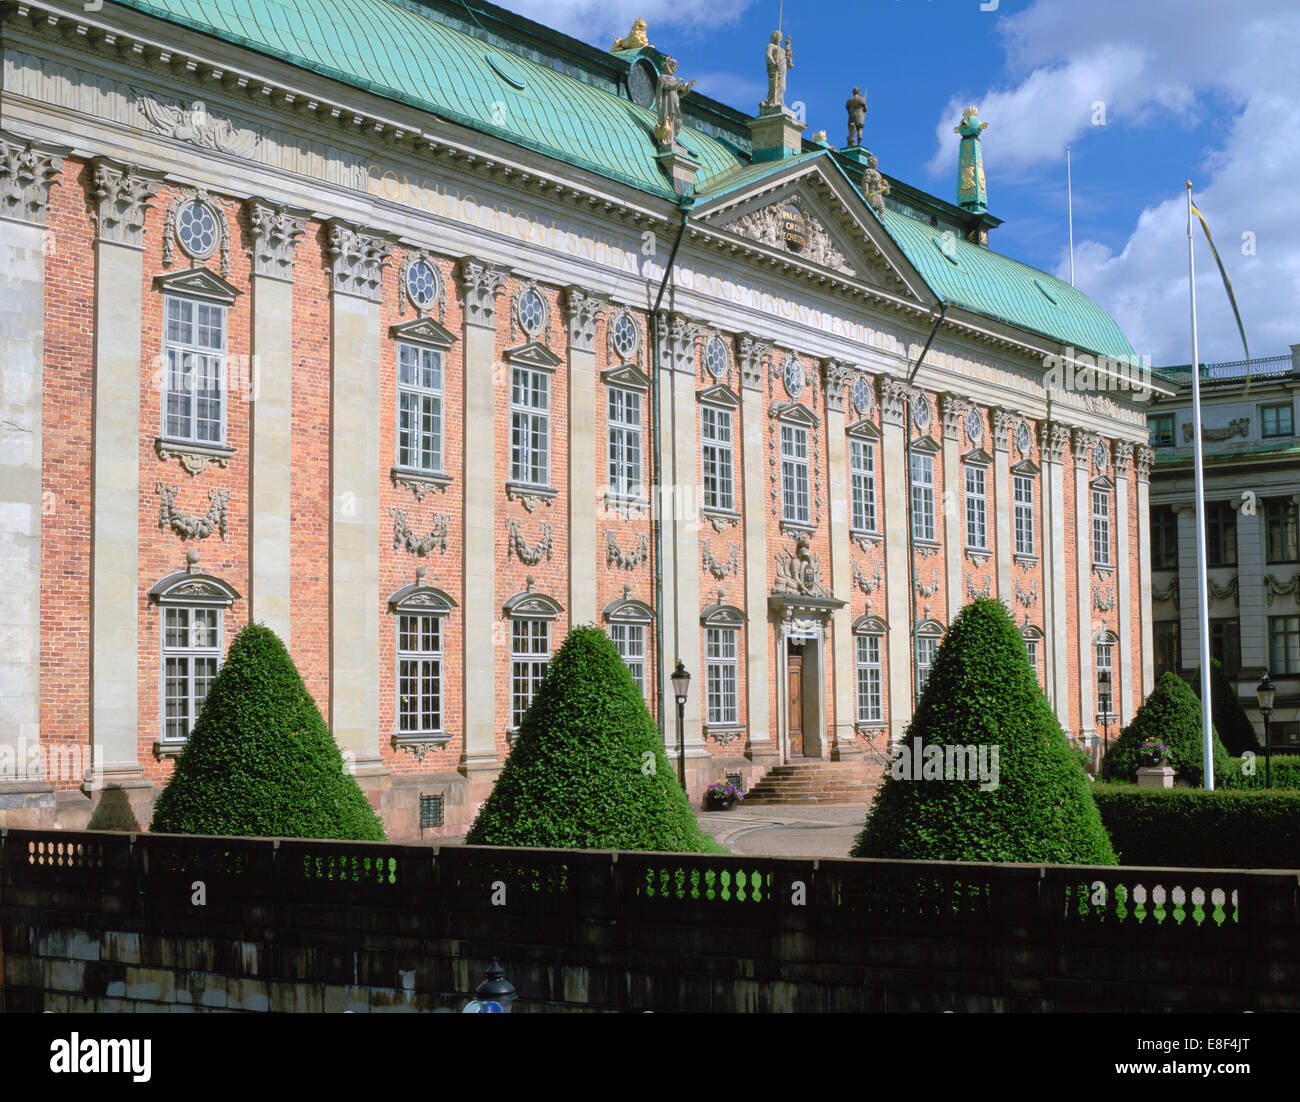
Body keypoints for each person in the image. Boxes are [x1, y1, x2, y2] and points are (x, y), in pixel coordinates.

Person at [654, 58, 695, 149]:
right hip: (667, 102)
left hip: (675, 101)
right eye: (673, 66)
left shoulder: (674, 79)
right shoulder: (663, 77)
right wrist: (678, 81)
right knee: (669, 118)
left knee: (677, 121)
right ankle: (667, 139)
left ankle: (673, 139)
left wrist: (687, 88)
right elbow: (668, 86)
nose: (675, 69)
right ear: (668, 66)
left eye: (676, 67)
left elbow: (679, 93)